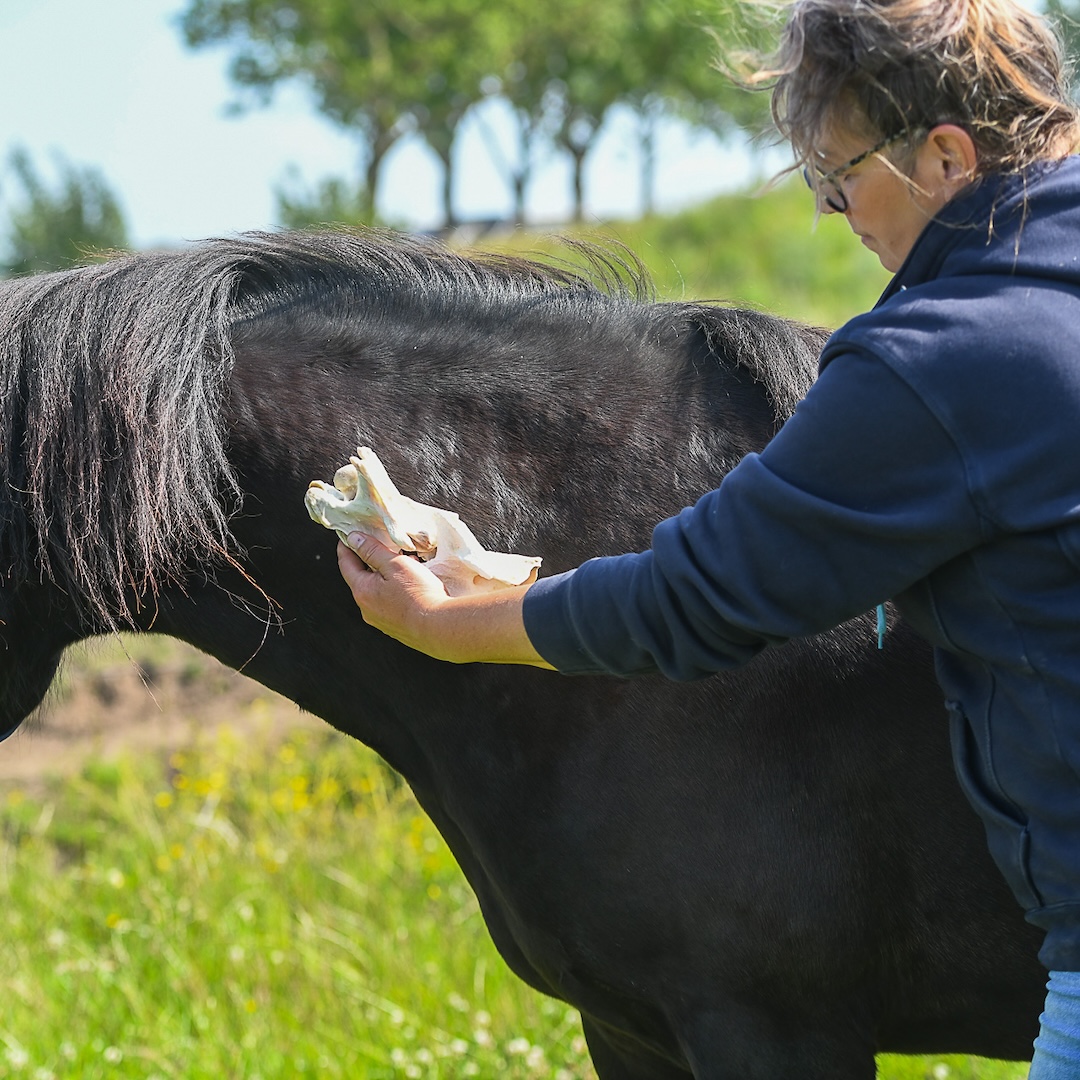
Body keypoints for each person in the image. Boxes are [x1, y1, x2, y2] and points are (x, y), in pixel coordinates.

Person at [335, 0, 1080, 1071]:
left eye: (841, 172)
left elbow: (699, 598)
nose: (831, 210)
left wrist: (454, 621)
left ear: (948, 155)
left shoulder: (946, 361)